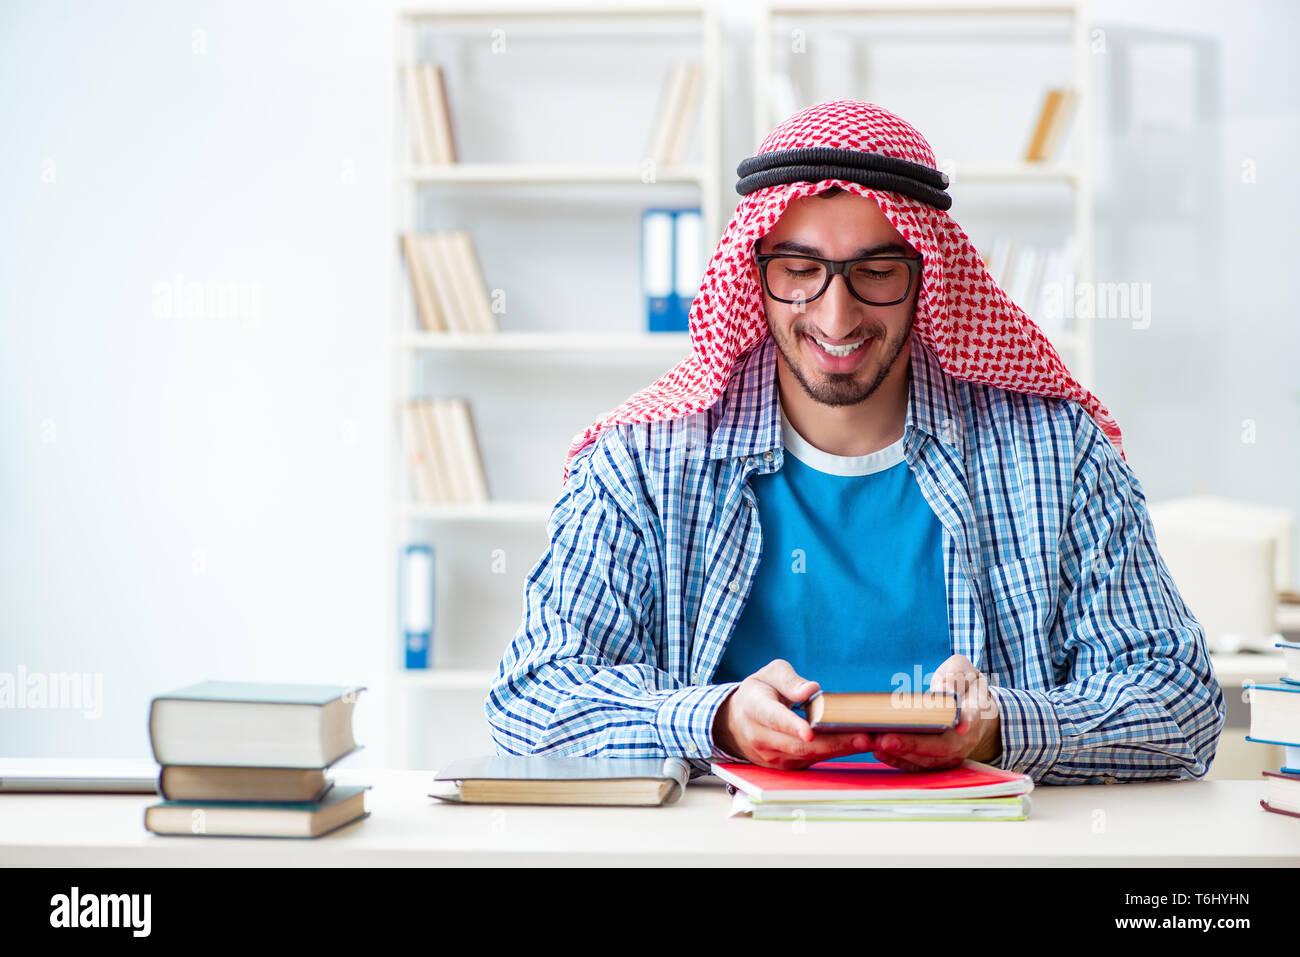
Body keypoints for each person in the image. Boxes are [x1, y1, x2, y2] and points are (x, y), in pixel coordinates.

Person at [485, 100, 1225, 783]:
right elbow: (530, 699)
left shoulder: (1058, 455)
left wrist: (1001, 727)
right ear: (756, 273)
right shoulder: (643, 463)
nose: (836, 317)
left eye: (874, 272)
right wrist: (714, 720)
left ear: (926, 275)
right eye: (800, 270)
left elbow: (1181, 700)